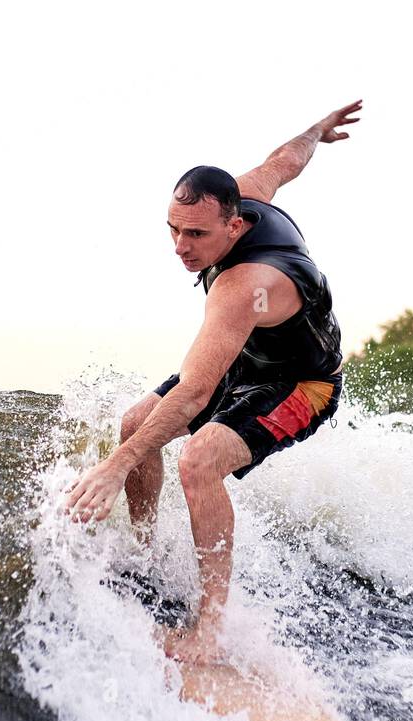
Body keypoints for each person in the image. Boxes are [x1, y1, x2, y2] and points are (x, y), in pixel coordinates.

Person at [63, 99, 362, 663]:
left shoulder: (243, 285)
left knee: (197, 460)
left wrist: (116, 464)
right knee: (135, 422)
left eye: (195, 235)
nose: (180, 247)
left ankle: (212, 630)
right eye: (172, 230)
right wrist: (316, 132)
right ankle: (146, 565)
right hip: (244, 358)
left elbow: (196, 393)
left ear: (235, 224)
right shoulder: (242, 194)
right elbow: (284, 161)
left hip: (303, 385)